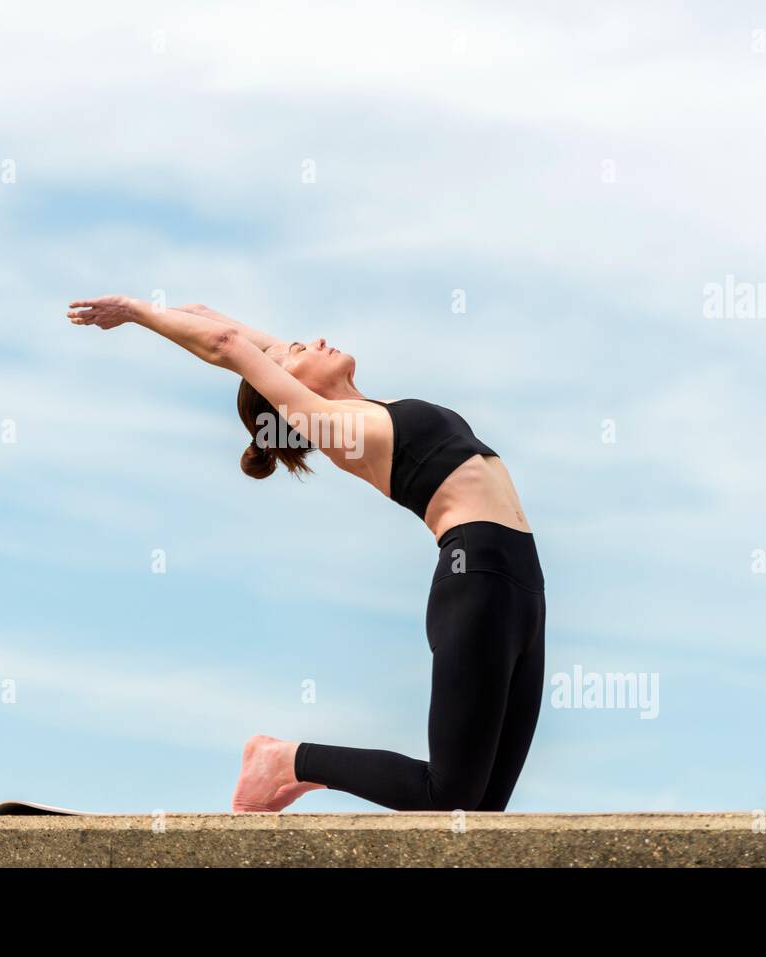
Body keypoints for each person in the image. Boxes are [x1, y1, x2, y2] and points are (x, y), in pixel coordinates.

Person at [69, 296, 546, 812]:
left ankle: (294, 764)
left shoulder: (363, 406)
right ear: (286, 394)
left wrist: (190, 313)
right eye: (297, 351)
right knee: (447, 796)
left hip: (525, 588)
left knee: (481, 815)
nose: (313, 341)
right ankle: (286, 759)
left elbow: (223, 326)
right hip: (477, 576)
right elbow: (227, 345)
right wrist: (136, 311)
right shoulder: (333, 425)